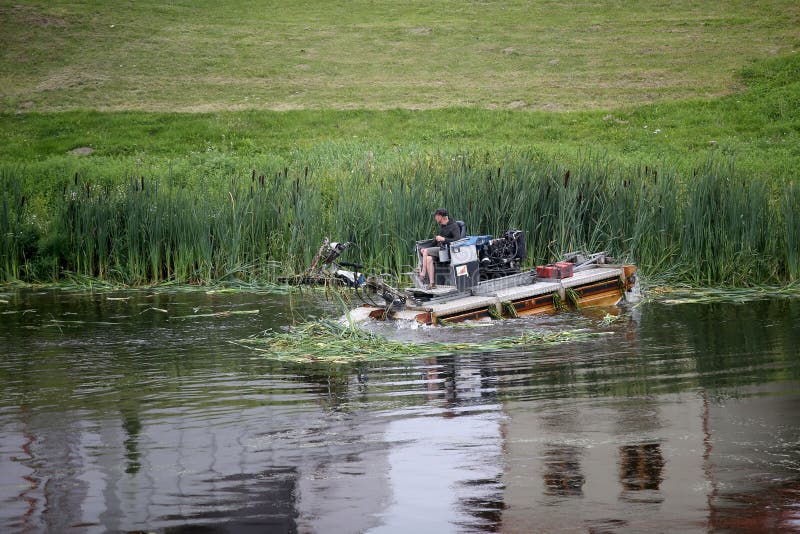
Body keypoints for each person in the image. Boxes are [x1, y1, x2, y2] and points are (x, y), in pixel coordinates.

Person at [419, 208, 461, 289]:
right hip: (441, 250)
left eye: (436, 216)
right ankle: (432, 284)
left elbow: (457, 240)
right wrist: (426, 248)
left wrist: (444, 239)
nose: (435, 218)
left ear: (440, 217)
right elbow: (436, 240)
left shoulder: (453, 226)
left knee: (426, 251)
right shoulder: (443, 225)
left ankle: (423, 273)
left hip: (448, 251)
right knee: (428, 258)